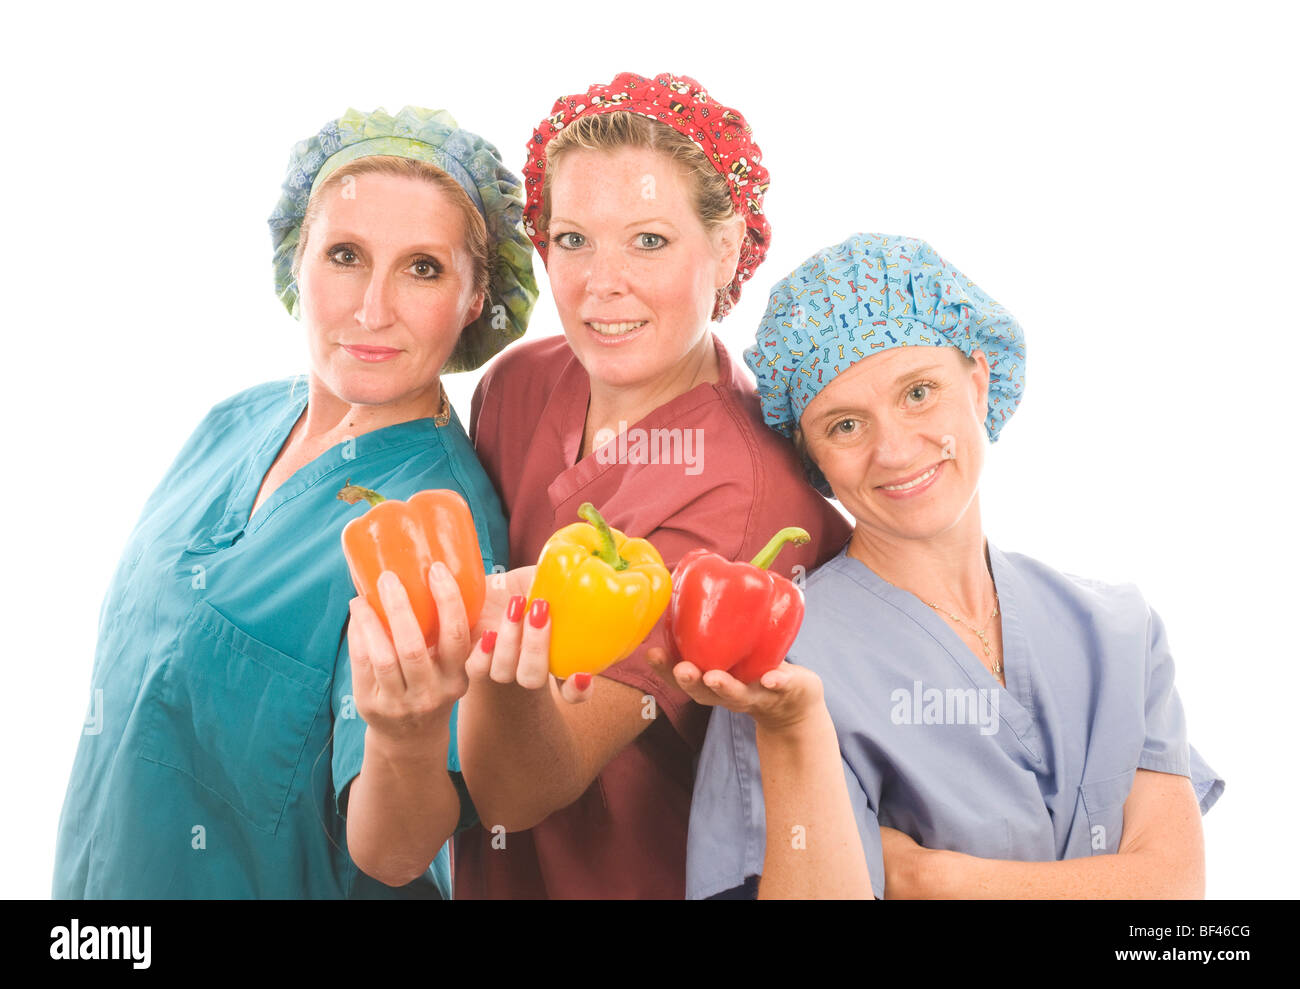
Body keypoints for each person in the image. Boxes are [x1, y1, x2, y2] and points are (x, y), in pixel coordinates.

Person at [52, 106, 536, 898]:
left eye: (423, 268)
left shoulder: (432, 526)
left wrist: (406, 735)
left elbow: (398, 849)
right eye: (346, 254)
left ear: (477, 294)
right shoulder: (232, 422)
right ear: (295, 260)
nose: (373, 308)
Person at [681, 233, 1224, 898]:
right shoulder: (783, 666)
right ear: (812, 458)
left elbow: (1173, 893)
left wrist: (934, 877)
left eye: (919, 392)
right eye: (846, 426)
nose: (896, 449)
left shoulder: (1119, 633)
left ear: (978, 379)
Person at [455, 72, 854, 898]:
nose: (603, 284)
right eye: (572, 239)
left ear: (726, 246)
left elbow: (524, 787)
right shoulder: (518, 385)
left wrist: (472, 636)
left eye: (648, 240)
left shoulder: (744, 496)